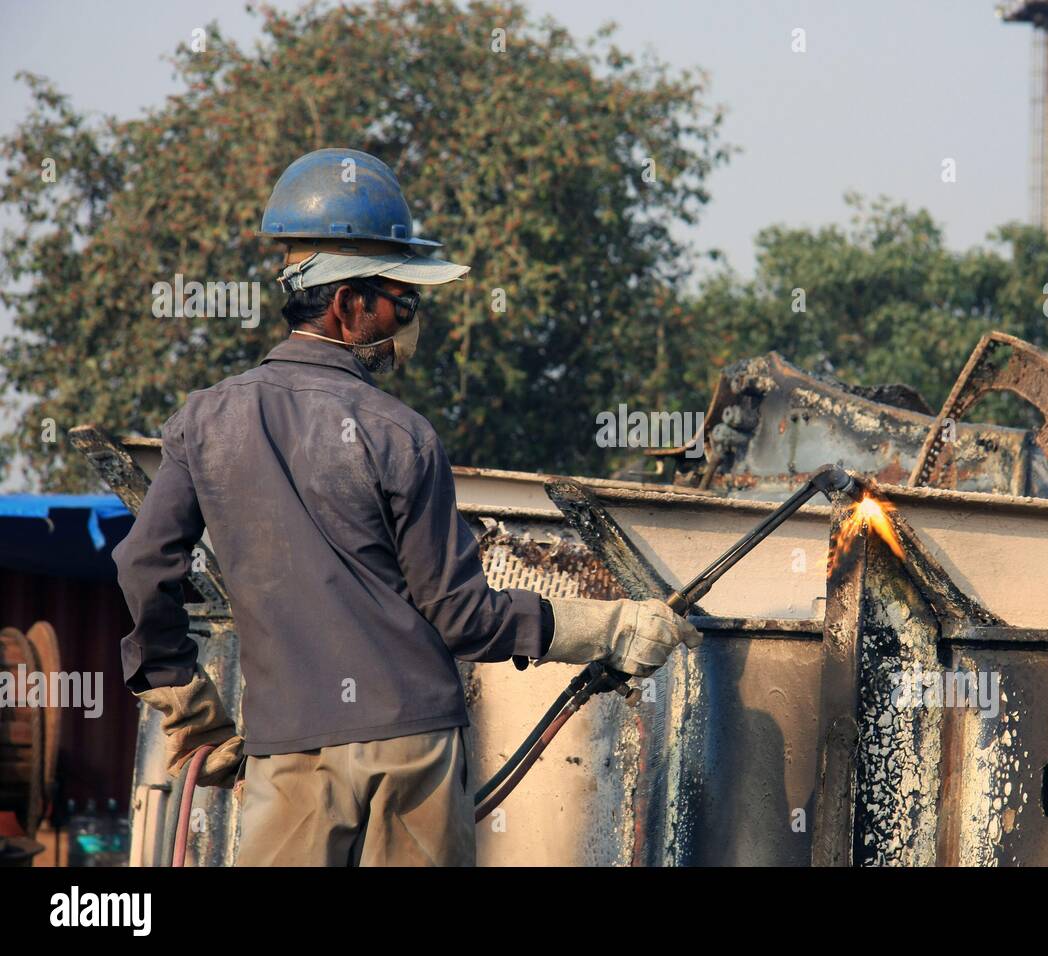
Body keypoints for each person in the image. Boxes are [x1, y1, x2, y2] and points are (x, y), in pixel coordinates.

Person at [113, 148, 701, 866]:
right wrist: (605, 627)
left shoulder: (204, 420)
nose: (411, 323)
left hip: (289, 747)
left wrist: (184, 701)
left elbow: (144, 566)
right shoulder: (402, 435)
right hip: (413, 746)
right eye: (403, 302)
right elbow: (461, 616)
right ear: (346, 302)